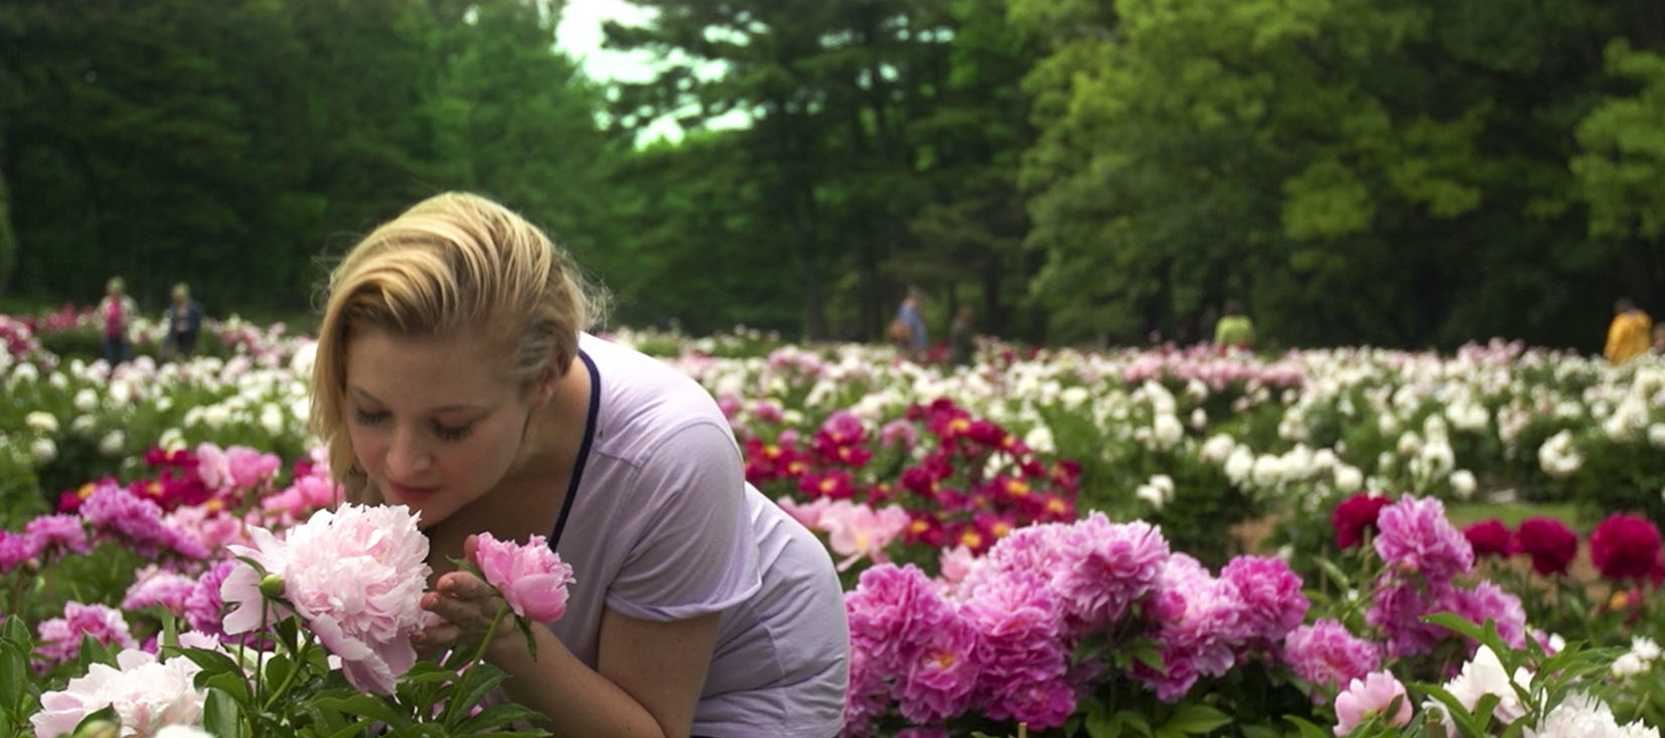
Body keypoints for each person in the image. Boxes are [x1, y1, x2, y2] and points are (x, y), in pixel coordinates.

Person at [309, 192, 848, 738]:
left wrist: (504, 638)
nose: (401, 463)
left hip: (741, 680)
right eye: (371, 413)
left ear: (545, 379)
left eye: (451, 427)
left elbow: (653, 733)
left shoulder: (672, 449)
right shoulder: (403, 371)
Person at [96, 276, 137, 366]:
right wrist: (102, 327)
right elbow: (100, 318)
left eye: (117, 291)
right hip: (109, 337)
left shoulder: (128, 303)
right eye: (113, 291)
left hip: (124, 337)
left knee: (125, 362)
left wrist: (126, 321)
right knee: (110, 362)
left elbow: (134, 318)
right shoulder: (105, 302)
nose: (115, 293)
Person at [1605, 297, 1653, 365]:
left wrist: (1609, 355)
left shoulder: (1620, 322)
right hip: (1643, 357)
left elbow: (1615, 340)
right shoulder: (1643, 318)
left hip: (1623, 359)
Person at [164, 282, 204, 358]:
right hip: (176, 341)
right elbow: (172, 327)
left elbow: (198, 325)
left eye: (179, 297)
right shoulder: (173, 309)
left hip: (191, 339)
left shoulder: (194, 308)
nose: (177, 299)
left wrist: (187, 327)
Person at [889, 290, 928, 362]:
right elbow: (906, 329)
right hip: (912, 349)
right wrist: (911, 348)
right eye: (921, 300)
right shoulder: (907, 310)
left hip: (916, 348)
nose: (921, 303)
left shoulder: (914, 310)